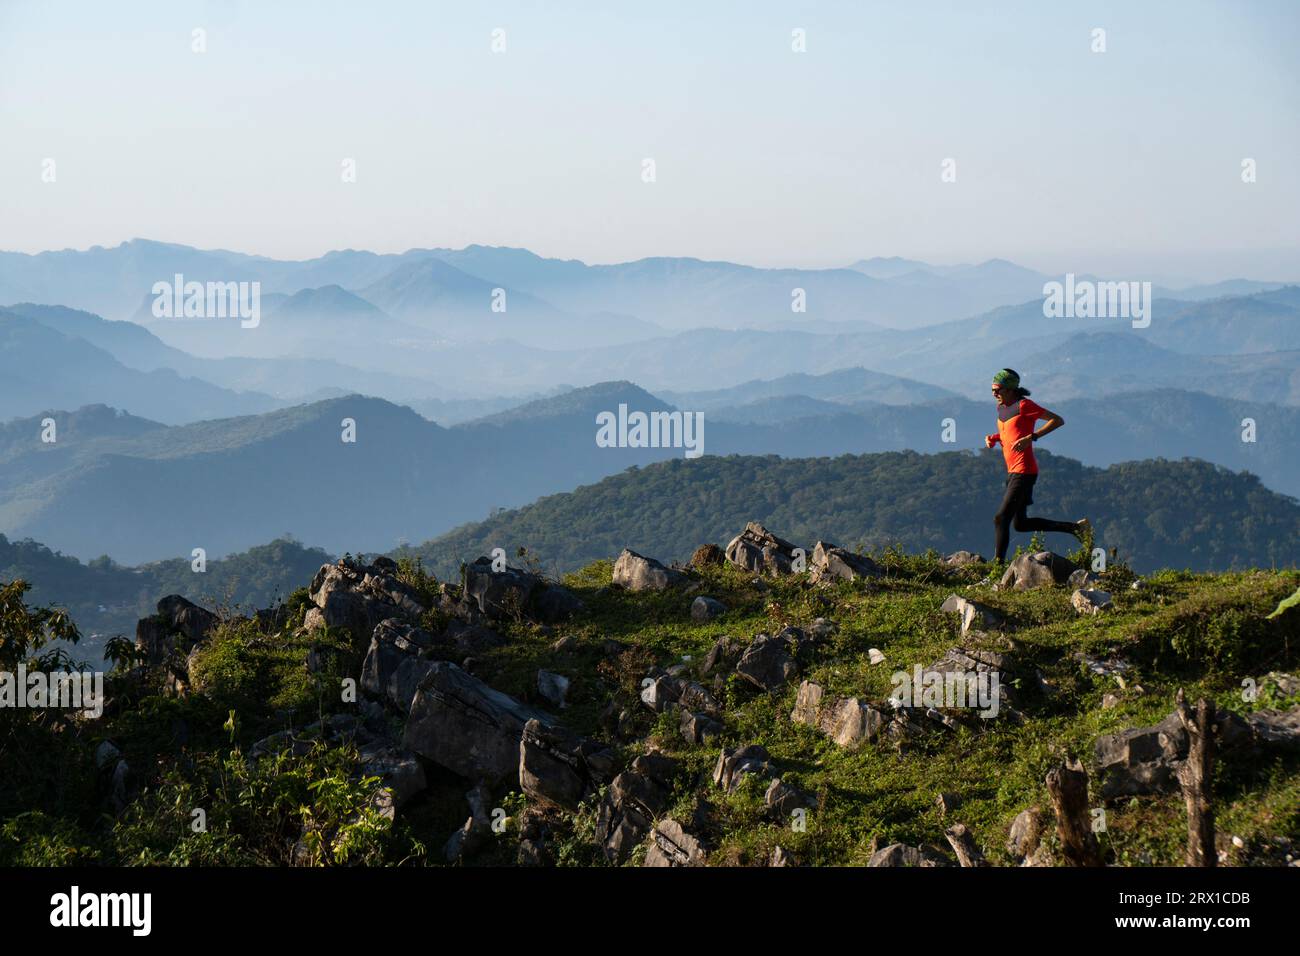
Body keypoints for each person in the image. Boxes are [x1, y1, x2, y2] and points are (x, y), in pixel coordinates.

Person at [983, 368, 1089, 565]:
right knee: (1021, 524)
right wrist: (995, 438)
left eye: (998, 389)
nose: (994, 394)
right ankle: (1075, 528)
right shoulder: (1002, 408)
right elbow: (1010, 432)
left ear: (1011, 389)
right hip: (1013, 470)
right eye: (992, 389)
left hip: (1024, 471)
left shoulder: (1025, 405)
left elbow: (1057, 420)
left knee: (1001, 518)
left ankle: (997, 567)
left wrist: (1033, 437)